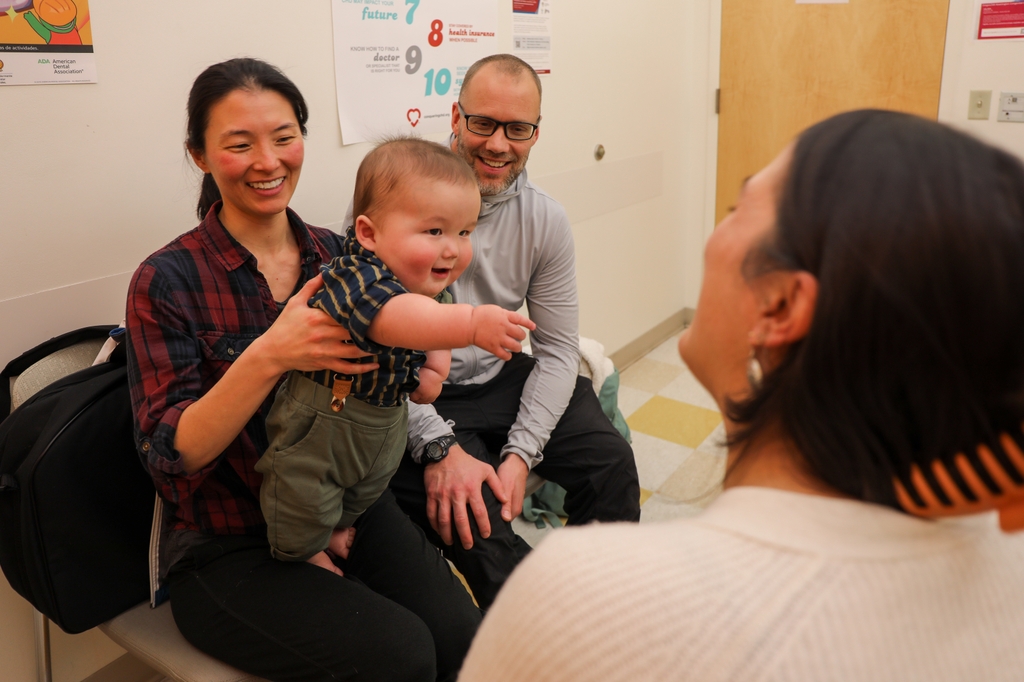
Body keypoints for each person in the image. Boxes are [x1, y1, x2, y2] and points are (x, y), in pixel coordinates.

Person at [458, 110, 1024, 681]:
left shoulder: (577, 596)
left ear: (780, 306)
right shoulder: (1005, 560)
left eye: (737, 209)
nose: (713, 236)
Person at [126, 58, 480, 682]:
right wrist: (271, 352)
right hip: (228, 543)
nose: (268, 161)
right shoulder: (167, 281)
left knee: (462, 640)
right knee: (402, 656)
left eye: (284, 137)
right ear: (200, 155)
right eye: (240, 144)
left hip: (343, 501)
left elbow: (396, 375)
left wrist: (441, 442)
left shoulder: (338, 253)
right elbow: (171, 453)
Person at [384, 54, 641, 609]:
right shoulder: (394, 196)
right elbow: (364, 349)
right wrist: (439, 446)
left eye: (517, 129)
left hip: (503, 375)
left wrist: (522, 453)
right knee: (479, 522)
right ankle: (540, 628)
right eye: (483, 123)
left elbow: (557, 350)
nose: (498, 144)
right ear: (456, 117)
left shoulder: (545, 219)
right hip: (415, 391)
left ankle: (598, 608)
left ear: (535, 134)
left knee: (612, 464)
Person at [257, 137, 535, 574]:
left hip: (384, 422)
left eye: (464, 232)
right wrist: (471, 324)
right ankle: (304, 550)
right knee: (303, 493)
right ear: (368, 233)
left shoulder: (427, 285)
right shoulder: (356, 275)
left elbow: (433, 319)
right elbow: (397, 319)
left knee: (365, 487)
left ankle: (335, 525)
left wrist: (435, 369)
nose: (453, 248)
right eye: (435, 231)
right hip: (323, 424)